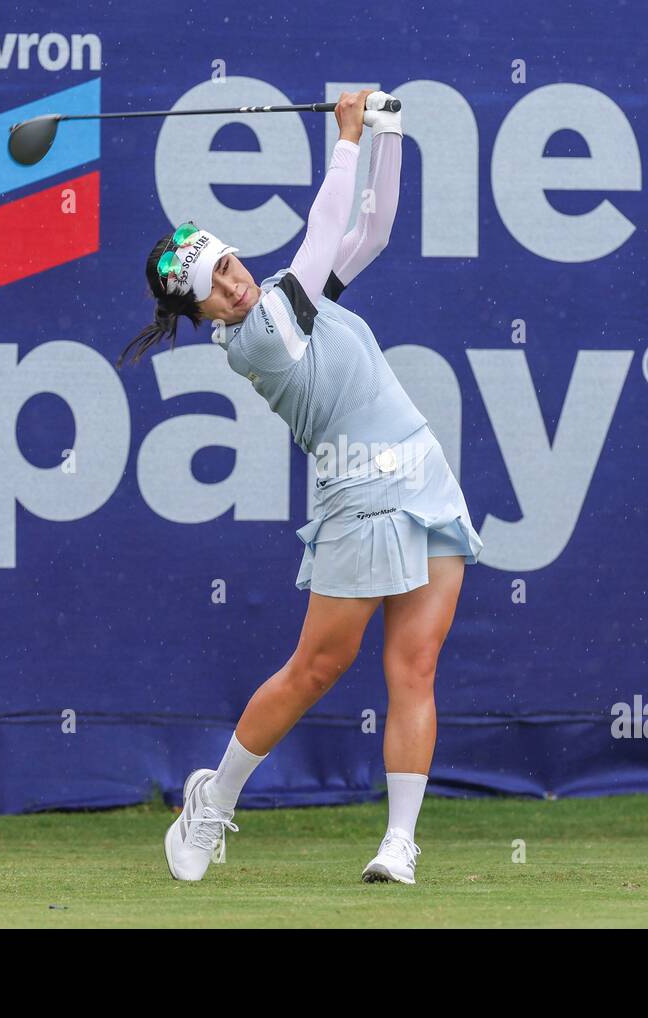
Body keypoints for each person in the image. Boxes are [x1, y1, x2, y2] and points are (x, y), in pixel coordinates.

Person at [117, 89, 483, 885]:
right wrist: (346, 138)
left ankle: (398, 842)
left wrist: (387, 131)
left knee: (413, 669)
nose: (232, 283)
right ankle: (213, 800)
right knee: (316, 669)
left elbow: (369, 231)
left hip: (421, 477)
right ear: (202, 312)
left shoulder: (293, 297)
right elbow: (324, 233)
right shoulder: (259, 337)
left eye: (227, 264)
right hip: (354, 499)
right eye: (213, 286)